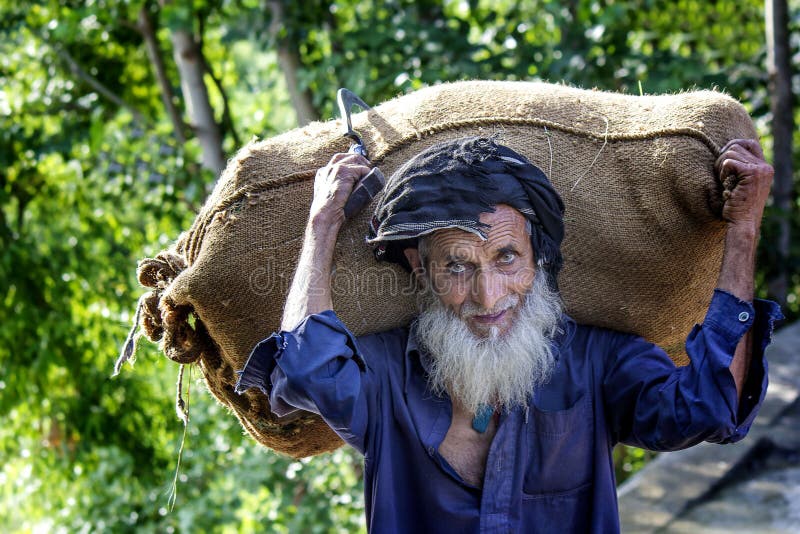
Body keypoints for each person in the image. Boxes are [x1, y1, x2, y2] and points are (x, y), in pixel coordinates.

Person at [235, 136, 782, 533]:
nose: (488, 295)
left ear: (537, 261)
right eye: (457, 266)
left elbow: (708, 408)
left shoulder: (594, 363)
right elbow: (306, 369)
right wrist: (324, 220)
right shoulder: (385, 379)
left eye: (506, 258)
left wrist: (743, 230)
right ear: (419, 269)